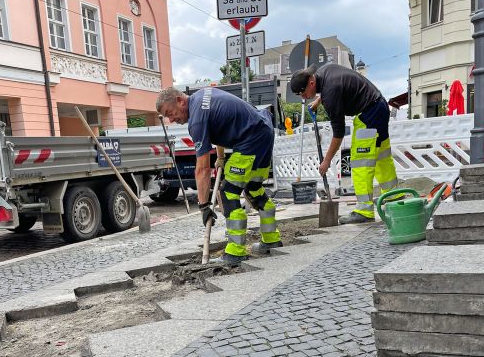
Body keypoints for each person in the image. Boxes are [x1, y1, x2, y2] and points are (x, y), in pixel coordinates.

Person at [156, 87, 282, 266]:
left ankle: (235, 253)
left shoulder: (196, 120)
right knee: (254, 190)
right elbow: (219, 127)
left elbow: (202, 169)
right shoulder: (201, 98)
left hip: (250, 138)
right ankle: (271, 239)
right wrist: (221, 157)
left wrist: (203, 205)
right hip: (263, 131)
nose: (171, 119)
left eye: (170, 113)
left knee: (228, 193)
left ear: (180, 100)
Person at [290, 63, 401, 224]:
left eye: (303, 93)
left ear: (311, 83)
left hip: (368, 115)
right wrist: (318, 100)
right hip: (380, 107)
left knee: (360, 163)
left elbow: (339, 133)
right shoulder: (323, 73)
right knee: (382, 158)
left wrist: (327, 160)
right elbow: (335, 87)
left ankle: (364, 211)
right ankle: (394, 198)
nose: (304, 97)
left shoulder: (330, 94)